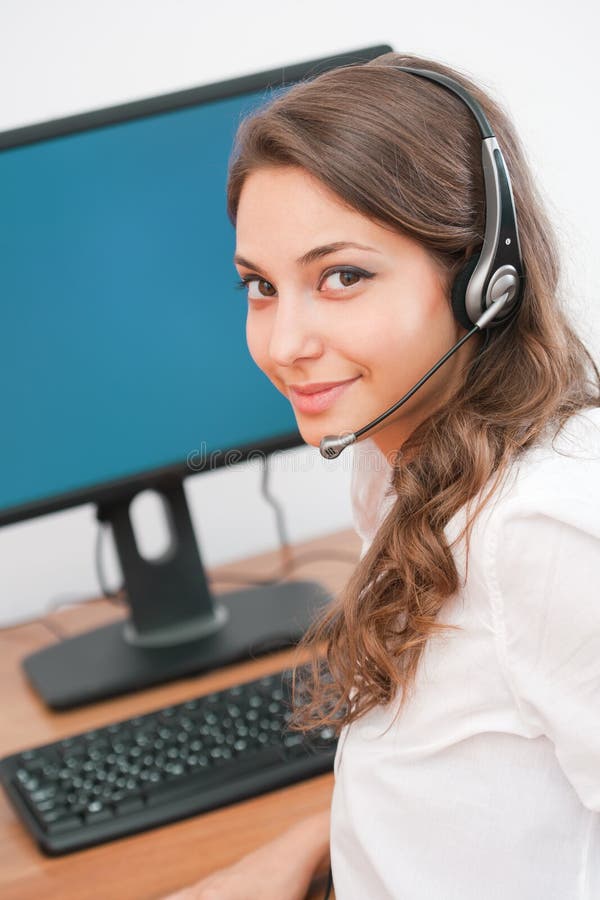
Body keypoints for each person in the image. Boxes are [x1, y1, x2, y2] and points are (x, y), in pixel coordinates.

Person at [163, 52, 600, 899]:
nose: (284, 345)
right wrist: (297, 849)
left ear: (483, 281)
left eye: (343, 276)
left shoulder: (544, 533)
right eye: (260, 286)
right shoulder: (395, 464)